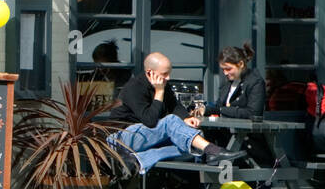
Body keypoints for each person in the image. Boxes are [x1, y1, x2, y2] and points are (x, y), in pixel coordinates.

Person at [107, 51, 246, 174]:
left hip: (145, 137)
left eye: (169, 73)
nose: (168, 78)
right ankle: (213, 151)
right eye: (164, 74)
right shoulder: (134, 88)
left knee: (192, 142)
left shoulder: (162, 84)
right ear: (150, 72)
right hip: (123, 138)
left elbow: (174, 105)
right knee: (172, 122)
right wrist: (159, 92)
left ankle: (141, 160)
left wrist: (186, 118)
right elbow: (150, 121)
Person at [203, 42, 265, 119]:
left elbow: (253, 113)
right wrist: (205, 110)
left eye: (228, 69)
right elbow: (219, 106)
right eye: (223, 69)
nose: (225, 73)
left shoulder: (255, 82)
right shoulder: (228, 82)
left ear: (241, 64)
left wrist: (221, 110)